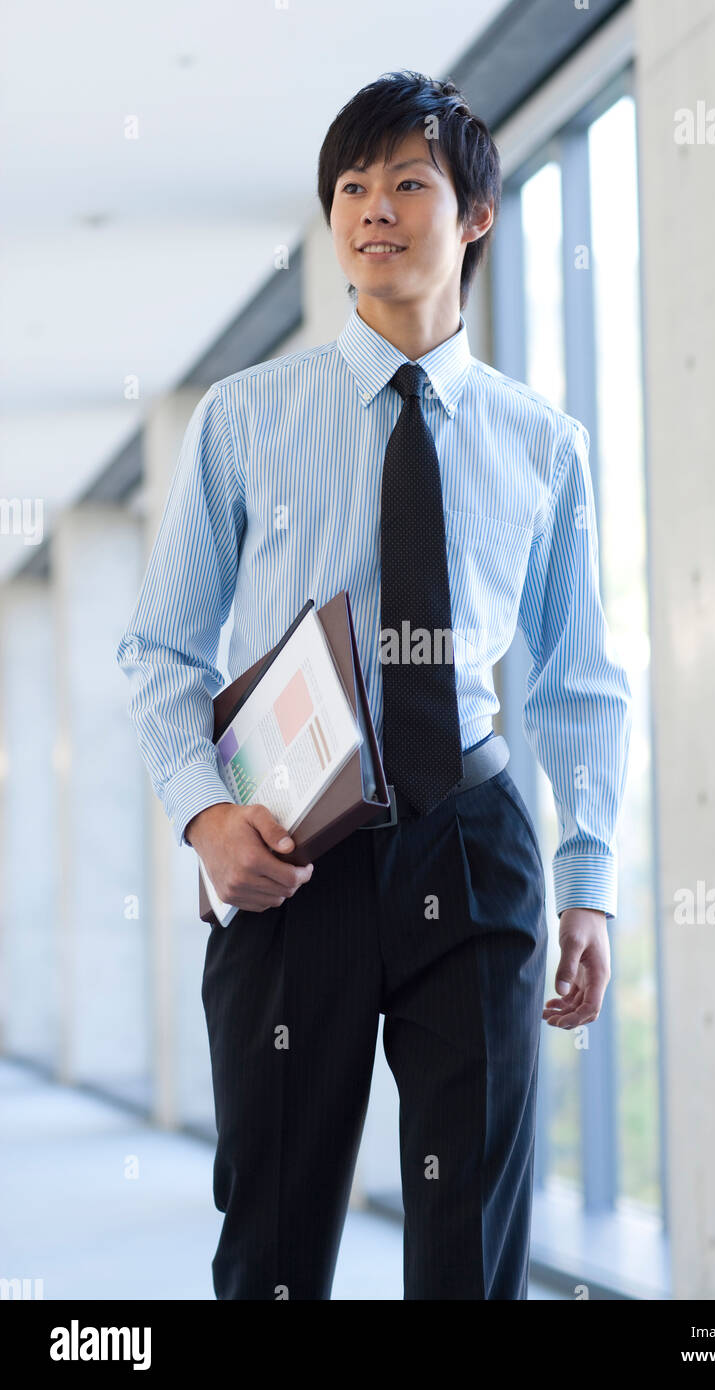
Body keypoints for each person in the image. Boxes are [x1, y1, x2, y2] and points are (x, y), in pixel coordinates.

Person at [116, 69, 632, 1301]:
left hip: (474, 842)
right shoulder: (242, 420)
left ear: (472, 217)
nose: (373, 208)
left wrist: (590, 885)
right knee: (276, 1238)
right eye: (350, 186)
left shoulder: (540, 444)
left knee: (470, 1247)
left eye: (408, 181)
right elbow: (159, 650)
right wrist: (205, 817)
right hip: (293, 850)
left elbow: (579, 679)